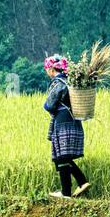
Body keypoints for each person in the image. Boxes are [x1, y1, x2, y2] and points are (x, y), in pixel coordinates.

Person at [43, 55, 90, 198]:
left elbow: (49, 105)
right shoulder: (72, 82)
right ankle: (68, 192)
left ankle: (80, 183)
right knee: (61, 158)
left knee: (62, 157)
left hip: (63, 124)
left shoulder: (58, 83)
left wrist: (47, 106)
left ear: (51, 69)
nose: (47, 72)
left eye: (47, 69)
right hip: (75, 123)